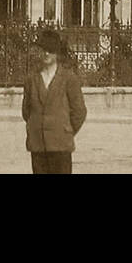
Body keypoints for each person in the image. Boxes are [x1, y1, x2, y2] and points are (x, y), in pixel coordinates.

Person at [21, 30, 87, 174]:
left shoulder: (69, 79)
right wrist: (35, 125)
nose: (46, 53)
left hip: (60, 144)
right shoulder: (31, 79)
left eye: (50, 50)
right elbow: (26, 110)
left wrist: (65, 129)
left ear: (57, 52)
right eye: (43, 49)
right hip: (38, 143)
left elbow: (79, 111)